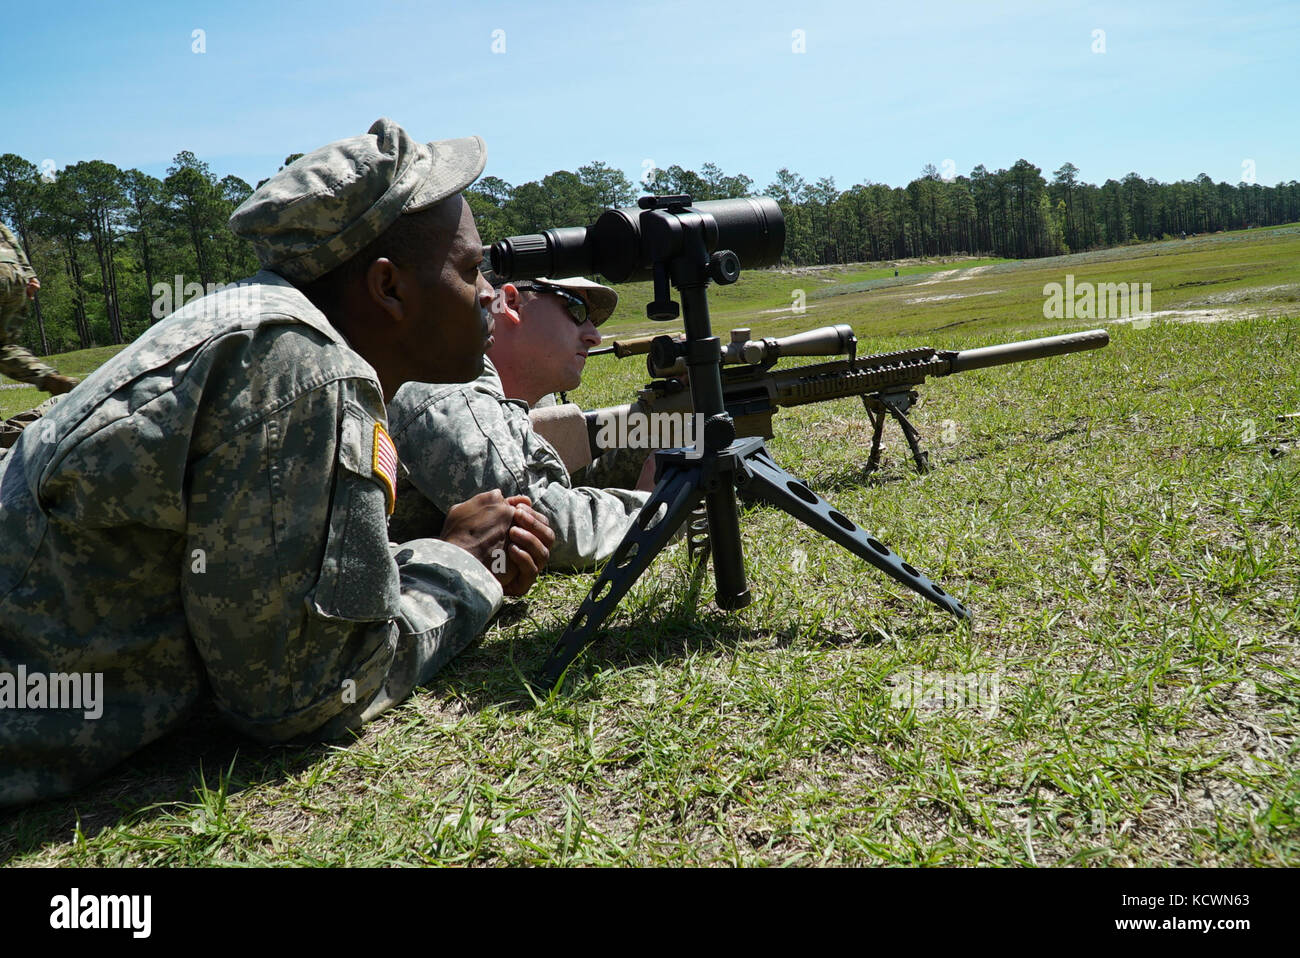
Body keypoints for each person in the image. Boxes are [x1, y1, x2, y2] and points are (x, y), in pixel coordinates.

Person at [0, 118, 555, 807]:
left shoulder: (270, 333)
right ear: (388, 288)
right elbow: (298, 697)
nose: (490, 294)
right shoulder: (298, 365)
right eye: (471, 269)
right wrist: (462, 566)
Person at [387, 275, 660, 569]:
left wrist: (663, 437)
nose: (594, 336)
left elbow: (563, 482)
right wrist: (653, 509)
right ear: (512, 302)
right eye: (577, 311)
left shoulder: (511, 400)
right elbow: (545, 522)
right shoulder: (445, 385)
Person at [0, 220, 78, 395]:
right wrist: (29, 274)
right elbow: (10, 239)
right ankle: (50, 379)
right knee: (3, 348)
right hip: (15, 274)